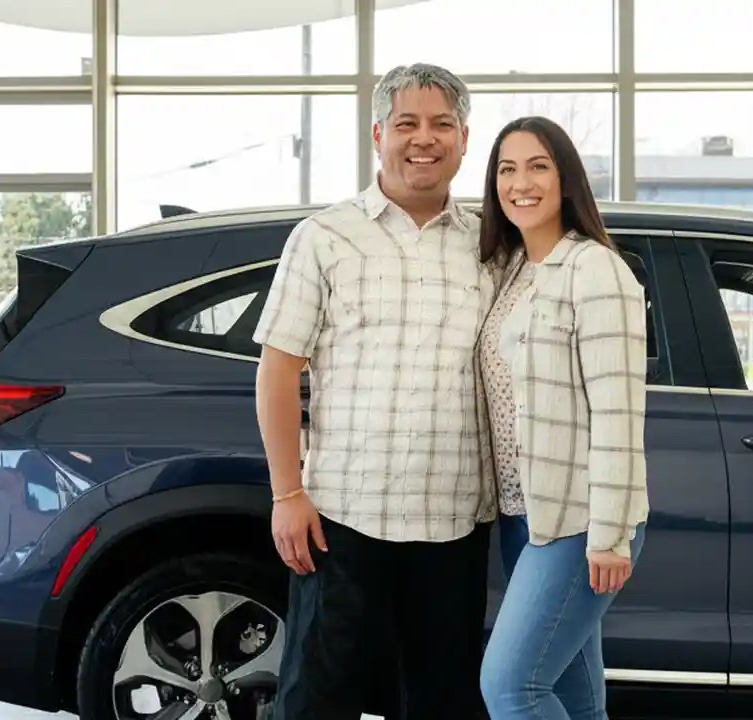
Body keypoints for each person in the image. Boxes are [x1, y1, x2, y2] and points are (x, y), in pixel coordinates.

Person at [253, 62, 498, 719]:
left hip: (454, 523)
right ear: (377, 133)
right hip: (341, 518)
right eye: (407, 123)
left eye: (442, 124)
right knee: (315, 700)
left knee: (442, 701)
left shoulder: (490, 245)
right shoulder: (325, 237)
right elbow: (278, 368)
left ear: (464, 137)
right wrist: (286, 494)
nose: (425, 138)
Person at [474, 116, 650, 720]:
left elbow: (619, 413)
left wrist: (608, 534)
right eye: (506, 169)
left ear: (566, 178)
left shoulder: (597, 270)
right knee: (575, 699)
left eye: (538, 166)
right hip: (525, 513)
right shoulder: (517, 270)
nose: (520, 182)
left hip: (578, 521)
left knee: (510, 688)